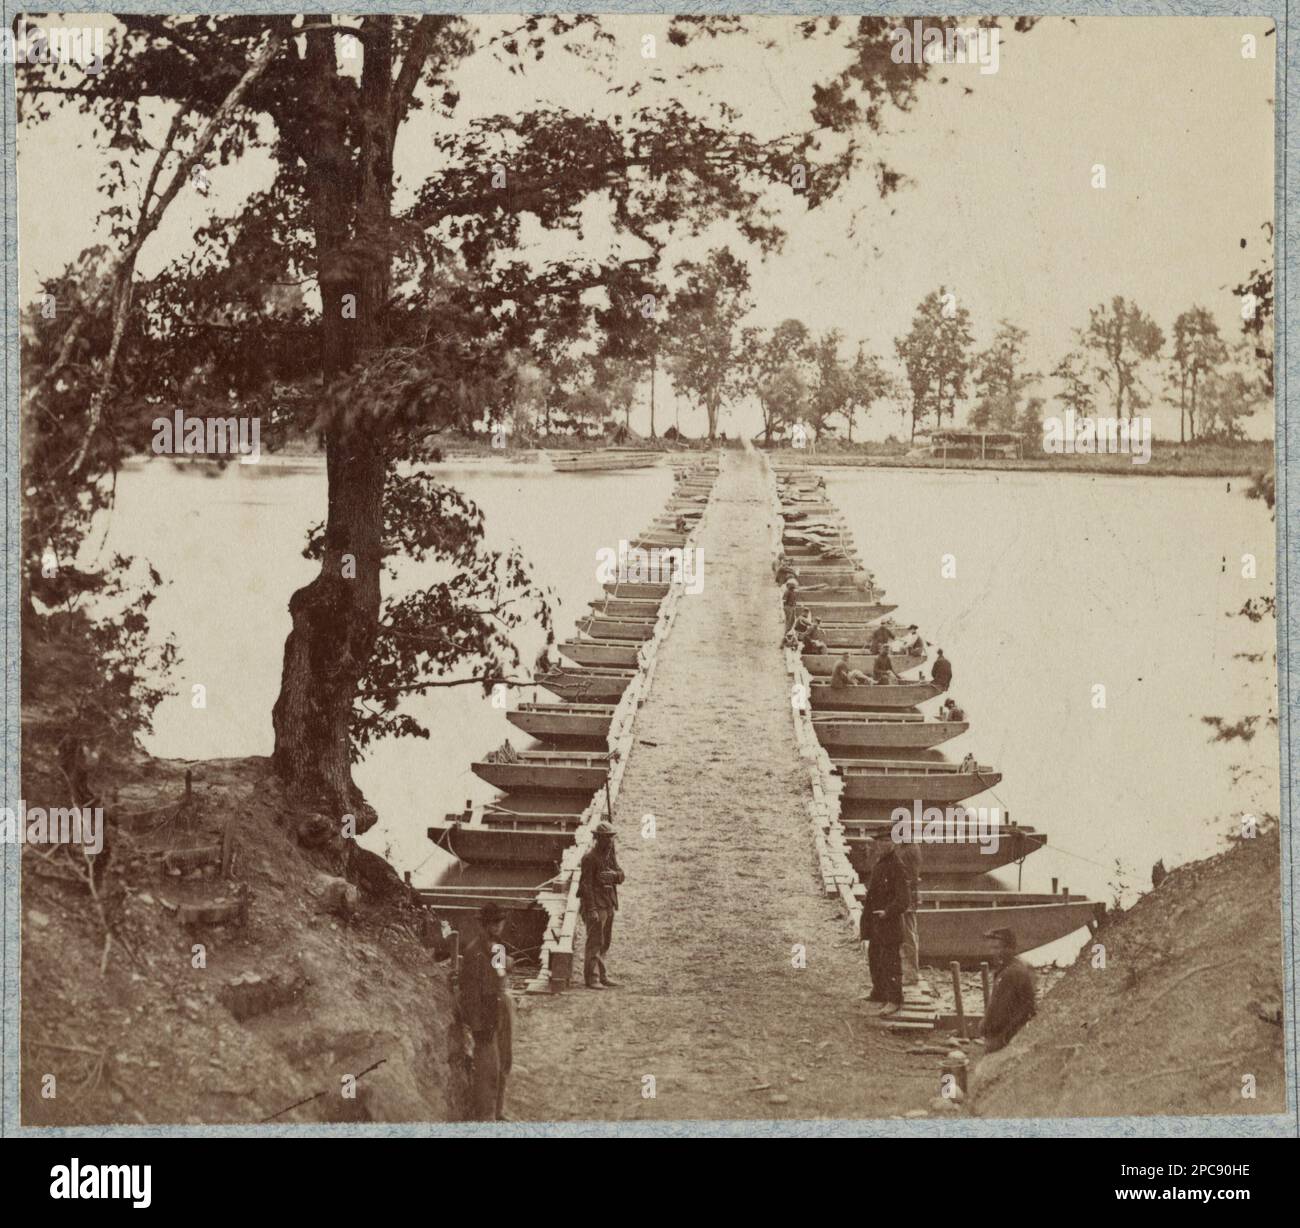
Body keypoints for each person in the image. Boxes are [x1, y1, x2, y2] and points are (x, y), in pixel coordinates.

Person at [458, 902, 515, 1121]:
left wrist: (506, 964)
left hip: (501, 1009)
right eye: (493, 923)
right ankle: (485, 1117)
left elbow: (500, 973)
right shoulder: (474, 952)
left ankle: (498, 1111)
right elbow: (469, 994)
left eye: (500, 922)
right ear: (484, 925)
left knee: (504, 1063)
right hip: (485, 1015)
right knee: (487, 1070)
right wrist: (477, 1025)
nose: (498, 926)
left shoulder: (497, 947)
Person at [858, 833, 911, 1015]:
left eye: (886, 841)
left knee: (890, 962)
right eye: (879, 841)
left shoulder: (897, 866)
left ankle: (894, 999)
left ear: (894, 843)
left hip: (889, 924)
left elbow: (904, 900)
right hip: (875, 923)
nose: (881, 844)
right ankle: (878, 992)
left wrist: (887, 912)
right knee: (875, 958)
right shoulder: (881, 862)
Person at [577, 821, 624, 989]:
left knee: (605, 941)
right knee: (595, 941)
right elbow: (586, 886)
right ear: (598, 839)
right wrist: (591, 909)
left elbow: (621, 874)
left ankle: (602, 974)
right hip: (596, 905)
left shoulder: (610, 855)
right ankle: (592, 977)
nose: (610, 841)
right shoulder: (589, 858)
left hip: (609, 902)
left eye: (611, 837)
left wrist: (614, 876)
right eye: (607, 838)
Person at [981, 928, 1036, 1051]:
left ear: (1010, 949)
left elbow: (1024, 1009)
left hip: (1006, 1038)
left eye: (997, 948)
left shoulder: (1012, 973)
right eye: (991, 948)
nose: (993, 952)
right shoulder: (1007, 969)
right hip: (1003, 1035)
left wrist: (1002, 1036)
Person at [897, 839, 922, 988]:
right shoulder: (903, 847)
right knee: (906, 935)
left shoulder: (911, 849)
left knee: (908, 936)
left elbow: (912, 878)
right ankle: (907, 972)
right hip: (903, 897)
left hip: (907, 899)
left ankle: (911, 974)